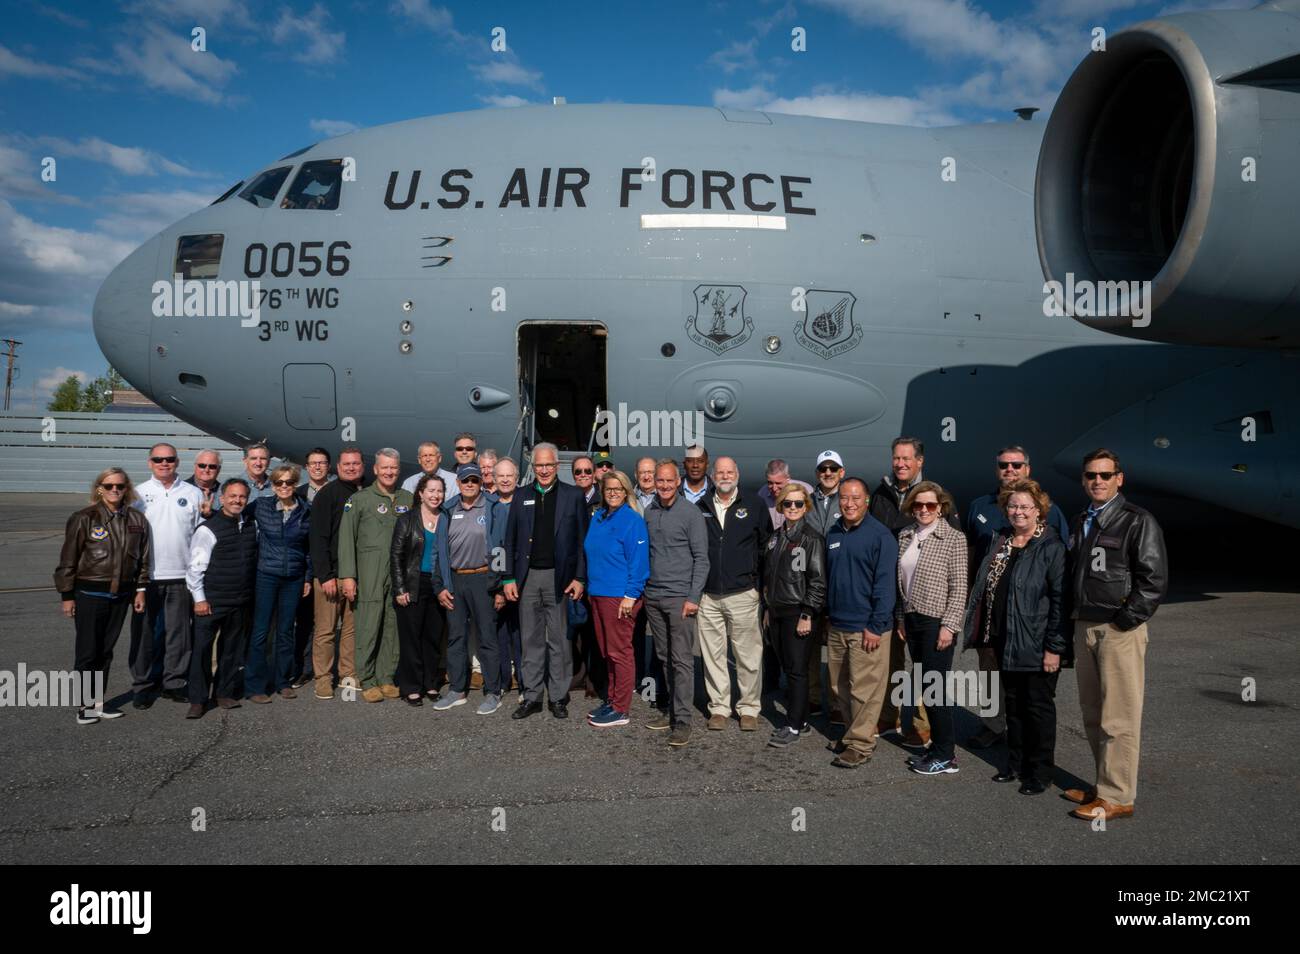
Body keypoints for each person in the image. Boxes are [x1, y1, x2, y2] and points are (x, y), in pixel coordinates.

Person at [1064, 450, 1167, 822]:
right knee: (1093, 713)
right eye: (1091, 474)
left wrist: (1125, 621)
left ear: (1119, 479)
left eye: (1106, 475)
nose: (1098, 481)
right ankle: (1103, 784)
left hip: (1117, 629)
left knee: (1119, 718)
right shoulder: (1081, 520)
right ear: (1083, 479)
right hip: (1084, 625)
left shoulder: (1137, 521)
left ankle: (1118, 796)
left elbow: (1153, 581)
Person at [963, 478, 1067, 794]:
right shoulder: (1002, 542)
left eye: (1025, 506)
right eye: (1012, 506)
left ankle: (1040, 772)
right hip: (1004, 641)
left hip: (1036, 645)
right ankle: (1015, 764)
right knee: (1013, 706)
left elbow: (1061, 602)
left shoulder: (1051, 547)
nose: (1018, 511)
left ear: (1039, 511)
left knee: (1037, 709)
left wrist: (1054, 647)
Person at [870, 437, 953, 745]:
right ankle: (888, 717)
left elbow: (952, 548)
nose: (900, 464)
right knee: (891, 663)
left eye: (906, 459)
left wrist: (949, 616)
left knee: (923, 666)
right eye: (896, 458)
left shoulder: (933, 495)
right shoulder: (880, 494)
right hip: (891, 594)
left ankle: (921, 725)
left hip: (925, 601)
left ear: (920, 462)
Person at [55, 468, 149, 724]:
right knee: (88, 651)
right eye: (109, 486)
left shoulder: (137, 520)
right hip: (89, 593)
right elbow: (68, 559)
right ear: (99, 488)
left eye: (119, 486)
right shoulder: (84, 518)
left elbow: (143, 560)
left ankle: (98, 703)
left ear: (127, 488)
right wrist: (67, 595)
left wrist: (140, 589)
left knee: (106, 651)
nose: (115, 490)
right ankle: (84, 707)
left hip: (120, 595)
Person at [502, 442, 588, 720]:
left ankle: (559, 696)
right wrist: (508, 577)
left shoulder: (573, 496)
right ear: (533, 466)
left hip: (560, 578)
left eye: (549, 465)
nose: (544, 470)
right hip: (527, 579)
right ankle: (532, 696)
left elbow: (582, 542)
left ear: (557, 465)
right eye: (539, 465)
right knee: (531, 639)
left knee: (560, 641)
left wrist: (579, 578)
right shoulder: (520, 495)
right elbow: (509, 539)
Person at [895, 482, 968, 775]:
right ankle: (939, 749)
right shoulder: (905, 535)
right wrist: (901, 617)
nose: (924, 510)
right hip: (912, 619)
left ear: (941, 507)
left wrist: (949, 626)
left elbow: (959, 586)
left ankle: (945, 754)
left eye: (930, 505)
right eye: (918, 505)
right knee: (926, 685)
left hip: (937, 621)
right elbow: (901, 583)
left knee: (934, 689)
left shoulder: (954, 538)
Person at [824, 478, 898, 768]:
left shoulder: (880, 536)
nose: (849, 503)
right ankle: (852, 733)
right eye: (844, 498)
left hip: (867, 627)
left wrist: (876, 625)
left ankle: (861, 745)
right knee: (839, 687)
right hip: (838, 625)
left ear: (866, 500)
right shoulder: (833, 532)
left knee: (864, 690)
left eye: (856, 498)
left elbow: (885, 585)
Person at [697, 456, 772, 732]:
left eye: (729, 472)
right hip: (708, 595)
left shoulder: (754, 504)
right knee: (712, 655)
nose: (725, 476)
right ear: (713, 476)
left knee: (748, 655)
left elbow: (766, 547)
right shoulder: (701, 505)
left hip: (743, 593)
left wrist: (759, 586)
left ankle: (749, 708)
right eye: (720, 472)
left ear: (737, 474)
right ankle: (719, 707)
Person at [128, 443, 203, 707]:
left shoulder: (193, 493)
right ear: (150, 463)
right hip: (147, 578)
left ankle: (174, 683)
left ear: (177, 462)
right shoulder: (137, 493)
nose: (164, 463)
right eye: (158, 459)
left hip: (181, 577)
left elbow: (200, 538)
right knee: (145, 634)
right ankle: (143, 685)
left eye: (169, 459)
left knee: (178, 635)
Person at [641, 459, 709, 747]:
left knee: (681, 660)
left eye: (670, 481)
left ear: (678, 481)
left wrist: (693, 598)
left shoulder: (690, 513)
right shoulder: (649, 511)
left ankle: (682, 720)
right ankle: (671, 711)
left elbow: (702, 560)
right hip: (653, 596)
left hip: (680, 597)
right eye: (660, 481)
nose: (665, 486)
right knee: (664, 656)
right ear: (654, 482)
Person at [339, 449, 413, 703]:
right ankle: (367, 678)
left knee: (392, 625)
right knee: (369, 624)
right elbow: (346, 539)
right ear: (375, 469)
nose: (389, 472)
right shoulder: (360, 500)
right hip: (369, 570)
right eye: (384, 468)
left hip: (398, 573)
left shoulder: (407, 498)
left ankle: (386, 676)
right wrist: (348, 575)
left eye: (393, 468)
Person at [435, 463, 506, 714]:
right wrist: (441, 585)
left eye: (474, 481)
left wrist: (498, 586)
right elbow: (439, 551)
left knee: (487, 637)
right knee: (456, 637)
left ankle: (493, 691)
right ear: (458, 482)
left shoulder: (492, 506)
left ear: (480, 483)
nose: (469, 485)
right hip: (455, 579)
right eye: (465, 480)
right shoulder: (448, 509)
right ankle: (457, 690)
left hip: (483, 578)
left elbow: (500, 548)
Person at [185, 478, 257, 718]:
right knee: (202, 650)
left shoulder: (250, 526)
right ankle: (197, 699)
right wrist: (199, 599)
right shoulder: (208, 529)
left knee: (231, 649)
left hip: (239, 600)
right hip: (212, 601)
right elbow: (195, 568)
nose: (237, 501)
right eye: (233, 496)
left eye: (242, 497)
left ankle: (224, 692)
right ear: (223, 498)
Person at [583, 469, 650, 728]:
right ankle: (611, 700)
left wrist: (631, 595)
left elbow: (640, 563)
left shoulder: (632, 520)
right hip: (598, 594)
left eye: (618, 489)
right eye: (608, 488)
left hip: (619, 596)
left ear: (626, 492)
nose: (613, 493)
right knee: (607, 652)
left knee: (620, 652)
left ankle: (621, 709)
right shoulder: (598, 517)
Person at [762, 482, 826, 747]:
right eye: (788, 503)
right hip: (777, 611)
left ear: (806, 506)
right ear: (781, 506)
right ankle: (801, 719)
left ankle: (794, 725)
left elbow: (818, 580)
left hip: (798, 612)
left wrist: (808, 613)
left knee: (797, 671)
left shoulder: (810, 538)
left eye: (799, 503)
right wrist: (767, 607)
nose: (793, 508)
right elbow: (770, 576)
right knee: (789, 667)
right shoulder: (776, 537)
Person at [245, 465, 312, 702]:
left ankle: (283, 681)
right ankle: (255, 685)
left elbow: (308, 549)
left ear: (295, 485)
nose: (284, 486)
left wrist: (306, 577)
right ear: (273, 485)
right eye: (279, 483)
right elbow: (236, 518)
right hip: (266, 575)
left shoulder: (305, 510)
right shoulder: (261, 506)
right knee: (261, 631)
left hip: (293, 577)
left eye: (289, 482)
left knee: (285, 632)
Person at [391, 474, 453, 706]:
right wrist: (399, 587)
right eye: (431, 491)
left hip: (438, 586)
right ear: (421, 493)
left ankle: (430, 682)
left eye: (439, 491)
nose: (436, 495)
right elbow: (396, 555)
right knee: (411, 639)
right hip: (412, 584)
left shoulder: (447, 518)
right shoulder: (407, 519)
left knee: (433, 638)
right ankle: (411, 686)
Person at [307, 446, 363, 700]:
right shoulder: (327, 495)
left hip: (355, 576)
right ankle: (323, 678)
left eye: (355, 463)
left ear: (362, 466)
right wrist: (325, 575)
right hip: (330, 576)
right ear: (338, 468)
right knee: (326, 630)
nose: (351, 467)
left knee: (351, 630)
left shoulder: (366, 492)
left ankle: (348, 674)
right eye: (346, 464)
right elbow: (317, 539)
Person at [804, 449, 845, 724]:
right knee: (808, 648)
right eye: (823, 469)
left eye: (832, 468)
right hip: (811, 583)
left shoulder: (850, 498)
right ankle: (813, 698)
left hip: (840, 583)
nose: (827, 473)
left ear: (841, 471)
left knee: (837, 650)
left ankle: (839, 703)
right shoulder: (806, 502)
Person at [291, 446, 333, 689]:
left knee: (325, 624)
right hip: (302, 565)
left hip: (326, 566)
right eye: (313, 463)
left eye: (322, 463)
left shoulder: (337, 491)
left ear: (329, 466)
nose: (317, 466)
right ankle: (302, 668)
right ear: (307, 467)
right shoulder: (297, 494)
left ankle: (322, 669)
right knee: (303, 621)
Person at [492, 458, 523, 697]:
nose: (504, 480)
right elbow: (494, 548)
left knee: (521, 636)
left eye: (509, 476)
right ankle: (503, 681)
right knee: (499, 634)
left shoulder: (524, 502)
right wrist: (500, 586)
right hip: (498, 581)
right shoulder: (490, 505)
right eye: (500, 476)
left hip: (522, 581)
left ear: (517, 477)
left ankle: (524, 682)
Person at [758, 459, 814, 529]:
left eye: (778, 483)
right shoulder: (762, 493)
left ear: (788, 478)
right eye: (770, 483)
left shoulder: (805, 490)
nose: (774, 488)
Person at [185, 449, 222, 518]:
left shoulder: (225, 492)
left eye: (212, 467)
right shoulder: (181, 489)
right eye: (202, 465)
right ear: (195, 466)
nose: (206, 470)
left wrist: (210, 514)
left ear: (219, 469)